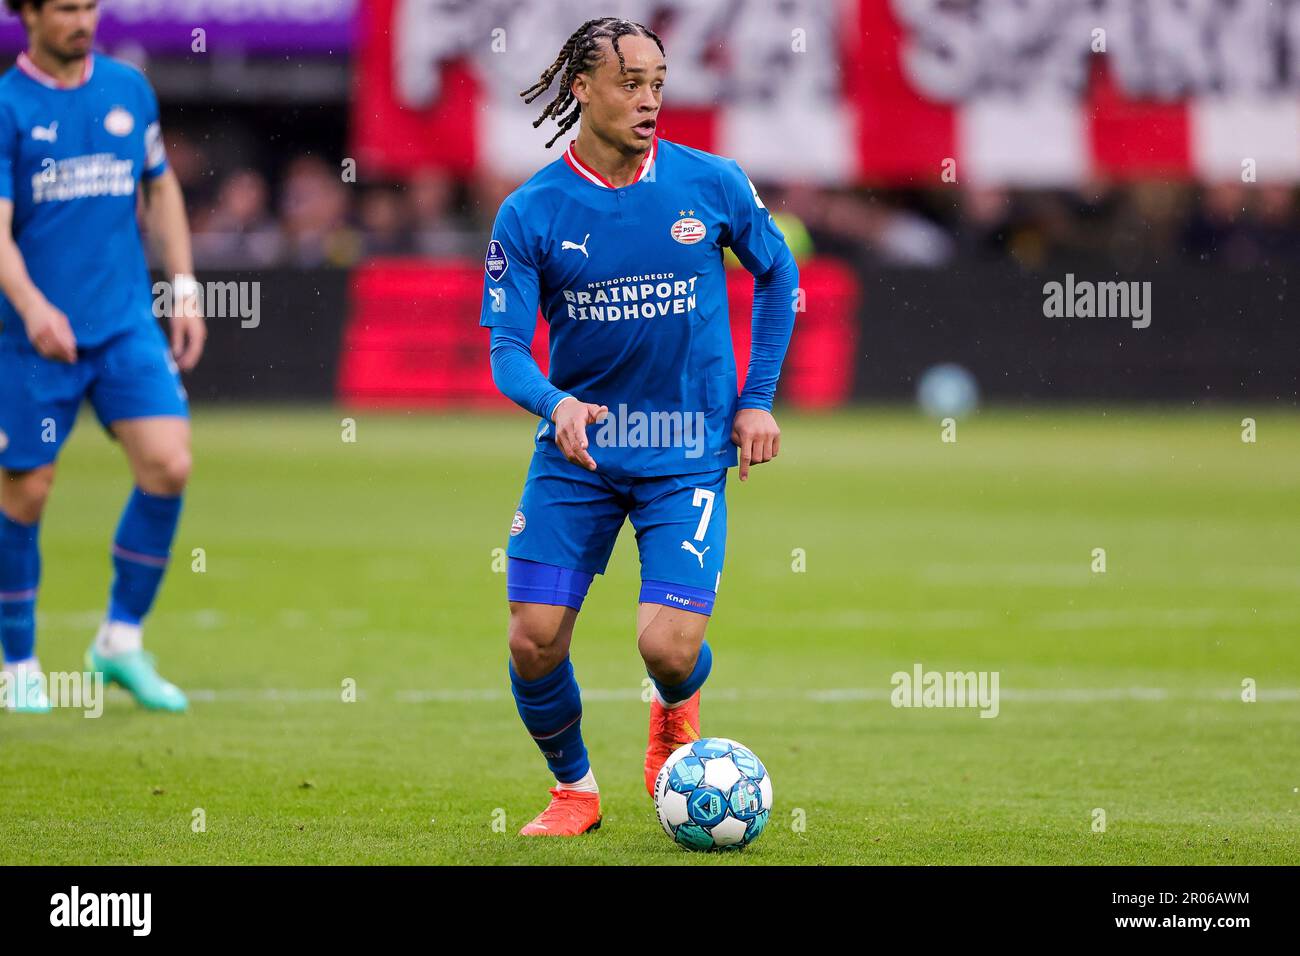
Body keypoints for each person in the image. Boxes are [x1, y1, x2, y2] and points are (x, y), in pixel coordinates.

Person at [479, 17, 798, 836]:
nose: (650, 100)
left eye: (658, 83)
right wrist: (557, 404)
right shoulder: (531, 212)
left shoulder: (713, 183)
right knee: (533, 639)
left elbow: (777, 272)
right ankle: (575, 791)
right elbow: (508, 350)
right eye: (630, 84)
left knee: (668, 649)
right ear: (581, 89)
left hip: (686, 451)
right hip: (578, 453)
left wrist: (756, 397)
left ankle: (672, 714)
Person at [0, 0, 204, 712]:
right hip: (30, 335)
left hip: (123, 326)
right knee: (26, 491)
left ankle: (120, 640)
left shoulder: (128, 88)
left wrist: (181, 286)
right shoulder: (7, 106)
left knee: (169, 464)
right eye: (63, 8)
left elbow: (160, 187)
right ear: (25, 13)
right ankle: (18, 660)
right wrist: (31, 306)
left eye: (89, 5)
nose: (81, 19)